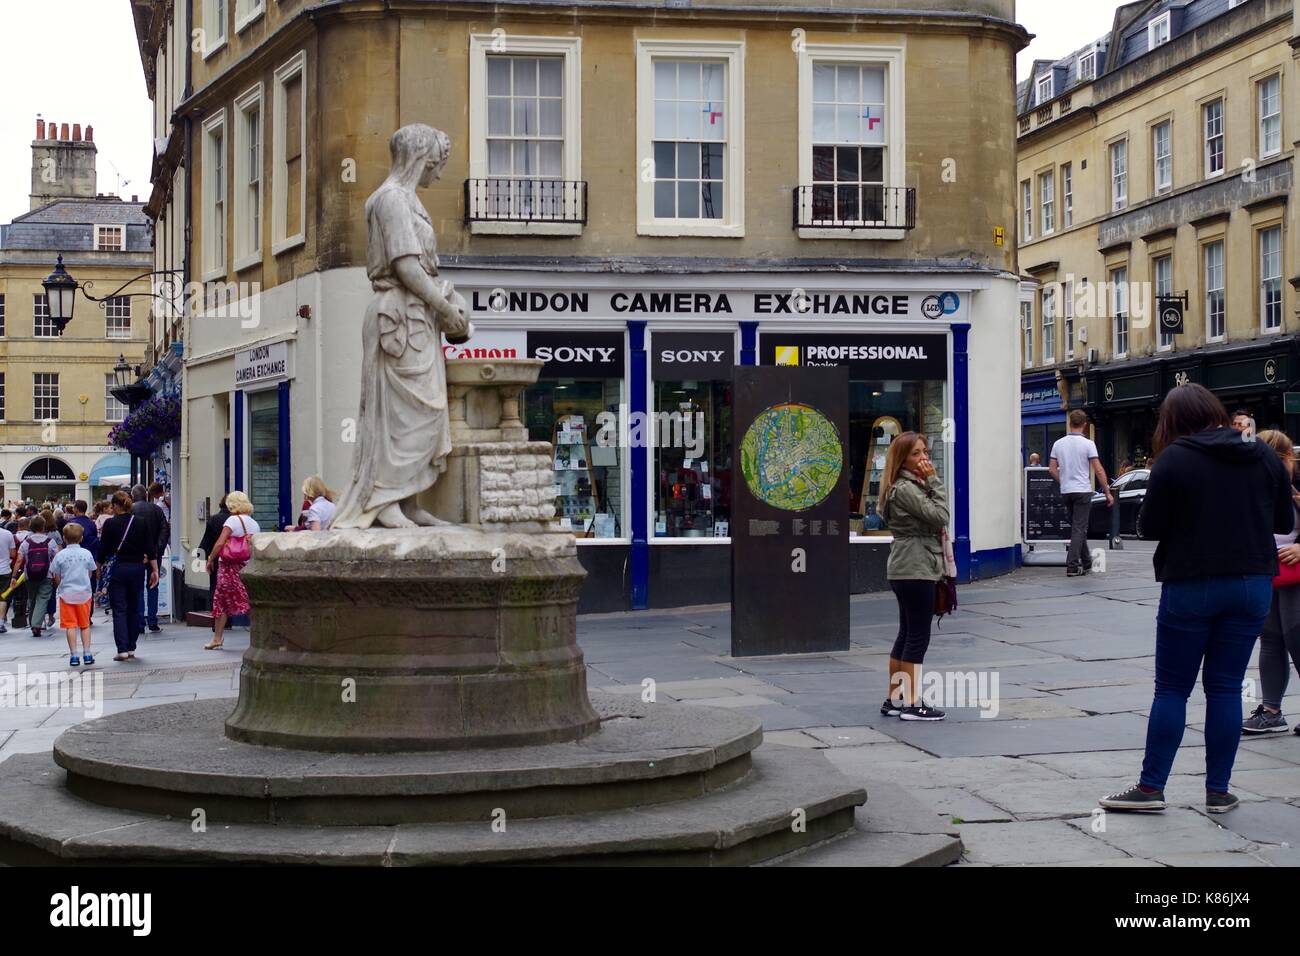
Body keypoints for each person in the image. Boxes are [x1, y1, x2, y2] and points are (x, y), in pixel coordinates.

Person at [1100, 384, 1293, 815]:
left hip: (1192, 582)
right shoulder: (1260, 453)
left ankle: (1151, 789)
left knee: (1171, 689)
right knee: (1225, 688)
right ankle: (1218, 791)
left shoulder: (1176, 457)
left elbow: (1149, 526)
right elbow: (1282, 518)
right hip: (1252, 583)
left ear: (1174, 422)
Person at [331, 124, 471, 529]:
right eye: (436, 164)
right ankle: (383, 499)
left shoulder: (408, 201)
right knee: (401, 413)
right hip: (399, 319)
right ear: (420, 158)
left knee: (423, 412)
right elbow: (406, 265)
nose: (439, 174)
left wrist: (442, 303)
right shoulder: (391, 199)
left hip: (417, 316)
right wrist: (443, 307)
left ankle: (407, 502)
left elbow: (419, 268)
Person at [878, 432, 951, 722]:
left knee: (907, 632)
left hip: (907, 564)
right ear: (903, 459)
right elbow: (940, 515)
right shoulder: (907, 488)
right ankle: (912, 702)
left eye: (925, 453)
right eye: (917, 454)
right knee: (918, 635)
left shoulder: (901, 487)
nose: (925, 459)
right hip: (915, 565)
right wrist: (935, 481)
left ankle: (894, 698)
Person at [1241, 430, 1300, 736]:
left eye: (1282, 459)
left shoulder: (1294, 490)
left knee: (1295, 637)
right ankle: (1272, 711)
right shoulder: (1251, 489)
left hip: (1295, 572)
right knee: (1271, 639)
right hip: (1266, 571)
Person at [1049, 410, 1114, 576]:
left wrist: (1063, 481)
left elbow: (1052, 469)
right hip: (1082, 490)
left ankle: (1086, 562)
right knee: (1079, 527)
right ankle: (1072, 565)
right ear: (1084, 424)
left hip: (1066, 492)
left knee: (1078, 526)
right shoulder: (1088, 444)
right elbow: (1098, 469)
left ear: (1070, 423)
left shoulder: (1058, 444)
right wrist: (1107, 491)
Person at [97, 490, 159, 662]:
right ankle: (132, 646)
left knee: (119, 609)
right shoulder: (140, 523)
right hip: (137, 569)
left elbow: (102, 550)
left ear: (116, 505)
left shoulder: (110, 524)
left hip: (117, 570)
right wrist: (154, 570)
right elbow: (150, 547)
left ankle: (122, 649)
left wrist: (98, 568)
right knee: (134, 607)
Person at [205, 491, 260, 650]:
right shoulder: (253, 523)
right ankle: (260, 634)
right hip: (245, 565)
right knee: (245, 598)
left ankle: (217, 638)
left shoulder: (232, 520)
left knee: (222, 599)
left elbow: (220, 542)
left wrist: (210, 558)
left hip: (229, 567)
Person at [50, 522, 98, 667]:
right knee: (84, 625)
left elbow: (55, 573)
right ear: (81, 538)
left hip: (66, 594)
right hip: (84, 593)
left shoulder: (60, 555)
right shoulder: (86, 553)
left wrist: (59, 585)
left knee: (70, 626)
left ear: (64, 538)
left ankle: (74, 655)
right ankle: (88, 653)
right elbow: (91, 571)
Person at [14, 515, 60, 637]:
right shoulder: (50, 542)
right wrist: (57, 575)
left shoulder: (26, 542)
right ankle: (36, 624)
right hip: (47, 574)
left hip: (29, 575)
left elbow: (19, 560)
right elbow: (56, 559)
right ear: (43, 526)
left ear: (31, 527)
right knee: (43, 599)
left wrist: (14, 576)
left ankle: (33, 622)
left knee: (32, 598)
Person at [131, 484, 167, 633]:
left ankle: (140, 622)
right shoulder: (157, 510)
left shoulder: (130, 510)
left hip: (137, 555)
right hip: (154, 555)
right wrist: (156, 551)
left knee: (138, 587)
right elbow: (165, 531)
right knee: (153, 585)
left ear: (133, 496)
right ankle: (152, 620)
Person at [198, 495, 232, 608]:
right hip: (234, 557)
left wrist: (205, 557)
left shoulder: (214, 519)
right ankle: (230, 618)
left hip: (216, 558)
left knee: (215, 587)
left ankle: (217, 618)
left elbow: (206, 540)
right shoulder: (236, 520)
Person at [0, 518, 14, 634]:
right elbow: (13, 553)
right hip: (4, 569)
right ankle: (1, 623)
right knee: (3, 597)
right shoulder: (7, 534)